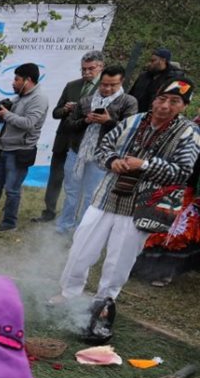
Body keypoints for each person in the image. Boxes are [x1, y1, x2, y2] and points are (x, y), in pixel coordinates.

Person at [52, 78, 200, 339]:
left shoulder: (189, 133)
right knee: (81, 247)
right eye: (162, 99)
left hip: (142, 206)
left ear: (184, 107)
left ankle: (103, 306)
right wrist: (112, 161)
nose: (165, 106)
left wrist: (143, 165)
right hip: (107, 196)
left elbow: (182, 172)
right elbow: (105, 147)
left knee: (119, 261)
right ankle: (68, 293)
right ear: (154, 100)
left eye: (174, 102)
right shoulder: (133, 120)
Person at [56, 65, 139, 236]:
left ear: (121, 82)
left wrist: (109, 121)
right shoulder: (86, 101)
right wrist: (86, 120)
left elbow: (130, 132)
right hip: (76, 152)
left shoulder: (128, 102)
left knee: (91, 196)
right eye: (104, 84)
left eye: (112, 85)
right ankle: (64, 226)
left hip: (102, 157)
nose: (107, 88)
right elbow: (68, 125)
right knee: (71, 191)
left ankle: (82, 231)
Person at [36, 51, 105, 224]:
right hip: (64, 139)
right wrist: (66, 109)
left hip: (85, 143)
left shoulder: (105, 89)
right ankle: (49, 211)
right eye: (83, 69)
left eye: (91, 69)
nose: (86, 72)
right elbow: (55, 113)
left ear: (101, 67)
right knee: (55, 178)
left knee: (80, 184)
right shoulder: (72, 85)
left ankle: (76, 218)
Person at [134, 108, 200, 287]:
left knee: (178, 234)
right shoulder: (189, 129)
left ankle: (165, 272)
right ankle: (139, 266)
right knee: (157, 225)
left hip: (192, 193)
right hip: (172, 184)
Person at [0, 63, 48, 231]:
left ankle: (9, 224)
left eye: (17, 79)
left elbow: (28, 123)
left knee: (12, 190)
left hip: (19, 151)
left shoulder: (38, 98)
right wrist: (2, 114)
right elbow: (10, 120)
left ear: (28, 80)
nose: (13, 82)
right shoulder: (20, 96)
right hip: (2, 147)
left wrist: (7, 114)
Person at [129, 48, 186, 112]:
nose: (149, 63)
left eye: (153, 61)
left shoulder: (175, 80)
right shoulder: (144, 76)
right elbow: (131, 95)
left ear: (163, 60)